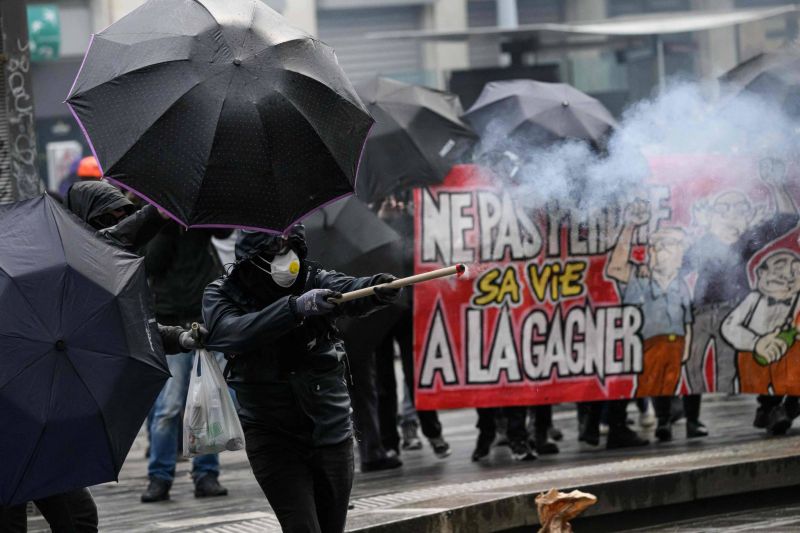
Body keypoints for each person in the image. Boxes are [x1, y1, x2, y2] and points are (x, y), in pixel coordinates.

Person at [0, 184, 202, 533]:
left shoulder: (50, 273)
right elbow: (105, 248)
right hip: (20, 427)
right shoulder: (47, 269)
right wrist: (154, 214)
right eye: (111, 217)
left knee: (73, 519)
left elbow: (126, 326)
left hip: (36, 427)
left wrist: (180, 337)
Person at [202, 225, 403, 533]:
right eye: (275, 251)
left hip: (330, 428)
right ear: (252, 258)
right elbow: (231, 333)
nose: (286, 259)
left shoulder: (312, 277)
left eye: (290, 248)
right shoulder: (222, 292)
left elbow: (347, 291)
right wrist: (293, 308)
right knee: (301, 527)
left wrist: (376, 289)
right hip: (271, 433)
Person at [682, 158, 798, 432]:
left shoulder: (748, 239)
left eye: (738, 208)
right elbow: (676, 271)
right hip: (702, 311)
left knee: (745, 364)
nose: (731, 214)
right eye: (723, 208)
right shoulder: (699, 245)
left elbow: (787, 220)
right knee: (693, 365)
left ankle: (767, 408)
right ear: (708, 215)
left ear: (748, 214)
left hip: (739, 309)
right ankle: (689, 419)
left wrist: (776, 186)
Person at [140, 222, 232, 503]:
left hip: (204, 315)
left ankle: (206, 474)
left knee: (208, 401)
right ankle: (160, 476)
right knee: (168, 407)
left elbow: (224, 232)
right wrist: (166, 225)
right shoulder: (149, 220)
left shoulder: (199, 216)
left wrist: (202, 219)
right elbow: (150, 265)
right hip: (169, 321)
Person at [606, 200, 698, 441]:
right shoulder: (641, 278)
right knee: (650, 383)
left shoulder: (681, 285)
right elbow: (616, 268)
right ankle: (647, 419)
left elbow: (687, 319)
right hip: (650, 343)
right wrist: (629, 227)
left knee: (669, 384)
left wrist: (687, 348)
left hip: (675, 343)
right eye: (665, 247)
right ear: (653, 252)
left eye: (677, 247)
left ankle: (664, 421)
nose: (672, 252)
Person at [722, 251, 800, 434]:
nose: (786, 277)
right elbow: (729, 326)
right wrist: (755, 342)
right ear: (761, 274)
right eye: (779, 271)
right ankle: (768, 410)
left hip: (788, 359)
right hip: (758, 358)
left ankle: (787, 408)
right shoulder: (754, 299)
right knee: (767, 382)